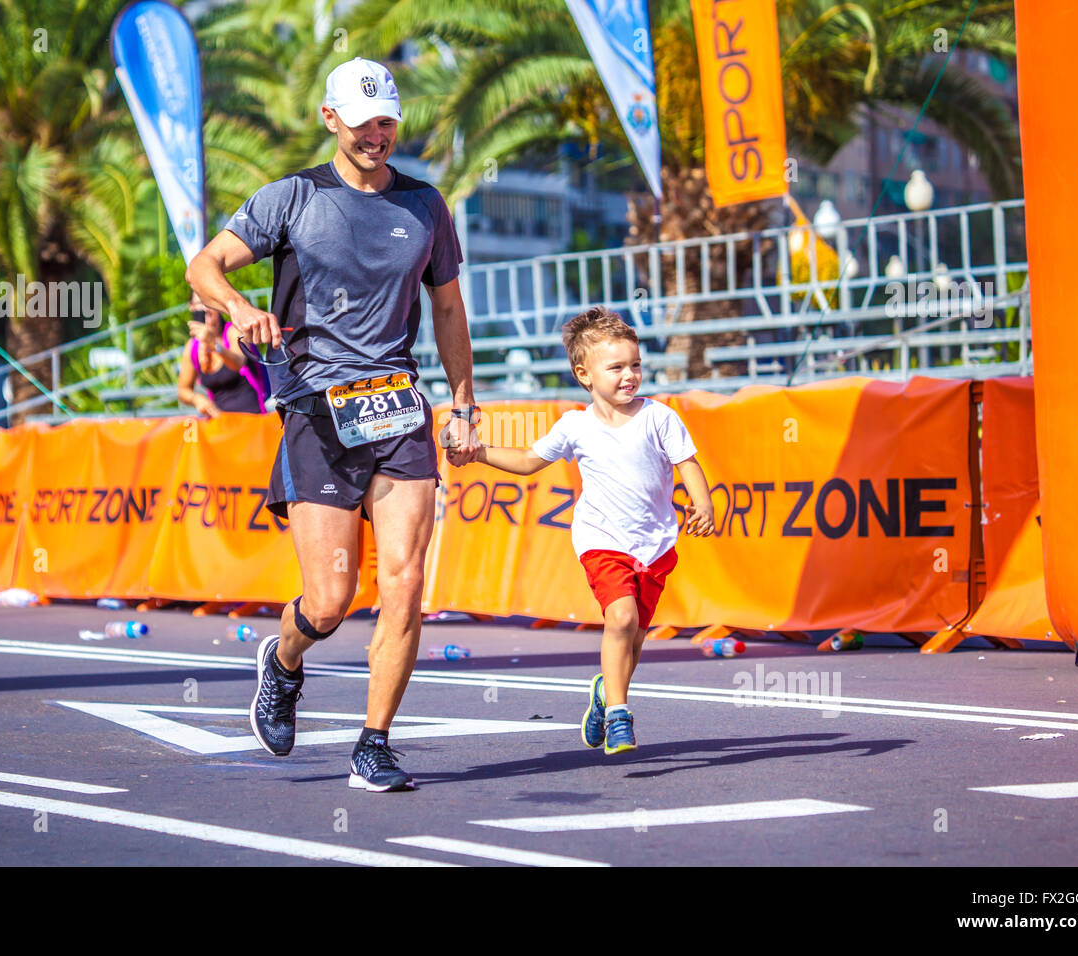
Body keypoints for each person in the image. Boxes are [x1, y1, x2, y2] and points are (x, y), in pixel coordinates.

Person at [186, 57, 480, 792]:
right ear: (331, 120)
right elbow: (205, 265)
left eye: (387, 121)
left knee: (408, 582)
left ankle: (374, 741)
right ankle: (283, 662)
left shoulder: (425, 206)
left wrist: (464, 403)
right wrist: (242, 308)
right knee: (329, 599)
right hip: (317, 407)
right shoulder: (293, 197)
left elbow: (447, 308)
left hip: (399, 406)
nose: (377, 134)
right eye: (362, 122)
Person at [458, 307, 714, 754]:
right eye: (616, 368)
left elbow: (687, 464)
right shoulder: (575, 425)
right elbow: (527, 461)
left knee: (632, 640)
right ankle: (619, 714)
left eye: (635, 364)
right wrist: (478, 453)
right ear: (585, 374)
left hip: (654, 545)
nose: (629, 375)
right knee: (621, 618)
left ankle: (603, 695)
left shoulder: (660, 417)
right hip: (601, 540)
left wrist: (704, 502)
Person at [175, 291, 268, 417]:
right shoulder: (192, 348)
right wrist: (196, 399)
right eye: (199, 304)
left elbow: (238, 362)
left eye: (207, 303)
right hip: (221, 422)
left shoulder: (235, 332)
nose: (204, 309)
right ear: (191, 307)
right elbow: (183, 390)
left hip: (254, 418)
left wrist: (214, 345)